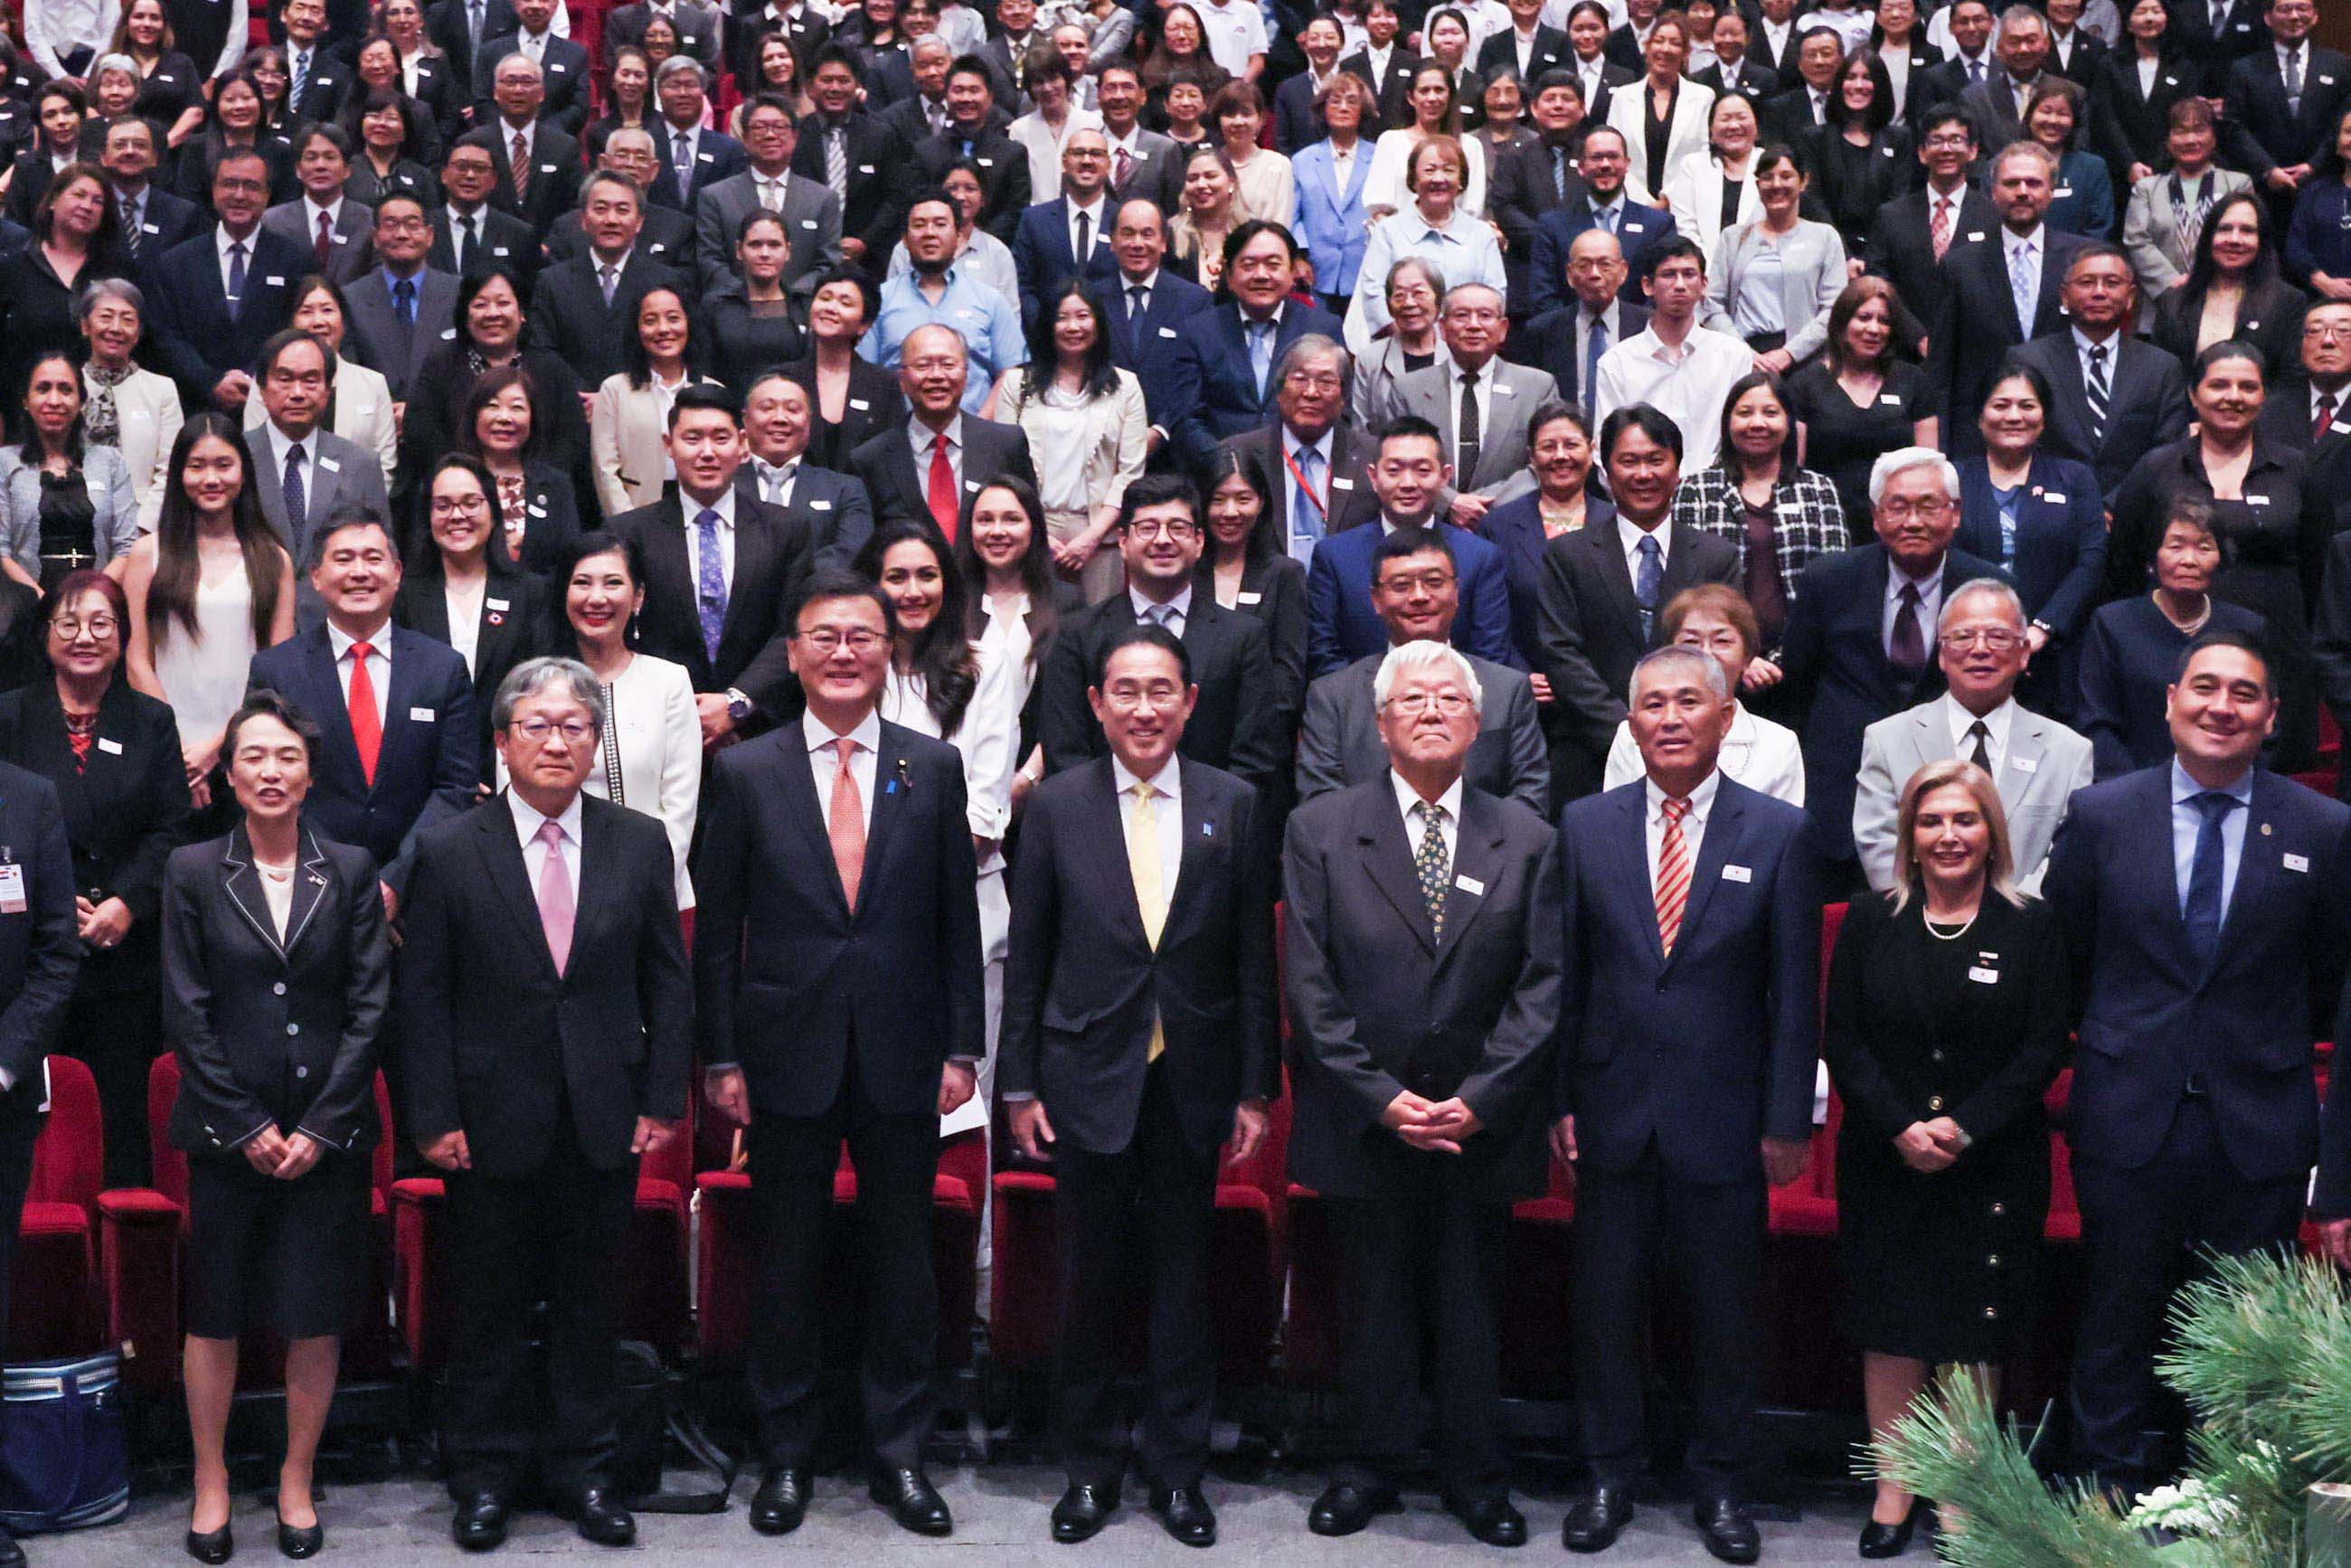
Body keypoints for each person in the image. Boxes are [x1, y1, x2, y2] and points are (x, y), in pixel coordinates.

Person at [694, 570, 981, 1540]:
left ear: (887, 649)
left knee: (904, 1261)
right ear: (794, 652)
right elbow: (718, 929)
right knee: (787, 1258)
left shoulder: (928, 767)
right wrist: (720, 1056)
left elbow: (954, 918)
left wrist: (962, 1047)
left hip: (903, 1048)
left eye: (863, 636)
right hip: (783, 1048)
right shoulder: (744, 770)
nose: (845, 652)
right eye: (825, 637)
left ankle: (899, 1455)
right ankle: (787, 1455)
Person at [2044, 631, 2351, 1500]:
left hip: (2257, 1122)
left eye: (2244, 694)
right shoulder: (2104, 814)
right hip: (2128, 1111)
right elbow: (2066, 959)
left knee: (2241, 1328)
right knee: (2113, 1318)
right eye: (2206, 688)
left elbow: (2330, 977)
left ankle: (2225, 1499)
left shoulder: (2323, 829)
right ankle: (2099, 1497)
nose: (2223, 706)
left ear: (2272, 717)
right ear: (2171, 700)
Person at [401, 656, 692, 1552]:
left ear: (594, 740)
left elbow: (667, 986)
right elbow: (423, 1000)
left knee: (588, 1306)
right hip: (486, 1122)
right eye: (537, 726)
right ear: (502, 742)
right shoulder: (452, 850)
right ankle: (484, 1475)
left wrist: (660, 1100)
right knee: (485, 1309)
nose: (556, 741)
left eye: (574, 727)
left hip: (604, 1113)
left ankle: (585, 1470)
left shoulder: (639, 842)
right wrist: (433, 1116)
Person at [1001, 618, 1272, 1548]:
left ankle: (1176, 1471)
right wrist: (1019, 1085)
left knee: (1180, 1281)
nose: (1145, 708)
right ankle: (1087, 1468)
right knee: (1089, 1279)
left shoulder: (1234, 803)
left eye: (1163, 691)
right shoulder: (1055, 808)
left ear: (1190, 702)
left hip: (1192, 1077)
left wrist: (1253, 1088)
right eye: (1127, 691)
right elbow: (1027, 959)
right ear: (1094, 704)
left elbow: (1249, 963)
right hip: (1083, 1074)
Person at [1282, 638, 1555, 1547]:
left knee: (1475, 1305)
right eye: (1413, 698)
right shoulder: (1320, 827)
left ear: (1477, 725)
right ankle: (1366, 1466)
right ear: (1380, 722)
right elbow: (1309, 983)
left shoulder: (1526, 837)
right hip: (1368, 1118)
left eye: (1449, 698)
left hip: (1482, 1118)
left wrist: (1483, 1095)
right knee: (1371, 1302)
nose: (1431, 709)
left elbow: (1542, 985)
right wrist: (1377, 1096)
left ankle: (1476, 1475)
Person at [1551, 640, 1818, 1564]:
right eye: (1651, 705)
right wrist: (1559, 1101)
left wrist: (1787, 1120)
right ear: (1630, 723)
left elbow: (1793, 995)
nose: (1668, 718)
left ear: (1722, 718)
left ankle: (1719, 1484)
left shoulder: (1776, 831)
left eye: (1686, 703)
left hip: (1725, 1122)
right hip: (1610, 1113)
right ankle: (1607, 1476)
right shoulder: (1584, 825)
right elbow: (1566, 980)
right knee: (1605, 1310)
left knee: (1721, 1315)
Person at [162, 690, 389, 1567]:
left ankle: (295, 1478)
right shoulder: (190, 870)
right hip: (227, 1134)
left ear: (309, 771)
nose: (269, 771)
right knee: (214, 1315)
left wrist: (322, 1125)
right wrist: (248, 1122)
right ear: (225, 772)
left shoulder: (353, 868)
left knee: (314, 1316)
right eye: (252, 756)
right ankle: (212, 1480)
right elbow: (186, 1011)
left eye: (286, 756)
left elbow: (370, 1010)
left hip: (326, 1138)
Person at [1824, 758, 2067, 1560]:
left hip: (1992, 1161)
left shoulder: (2032, 923)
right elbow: (1846, 1041)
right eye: (1931, 821)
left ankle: (1959, 1490)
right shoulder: (1870, 918)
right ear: (1910, 836)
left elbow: (2042, 1048)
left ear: (1992, 830)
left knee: (1971, 1330)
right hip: (1885, 1157)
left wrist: (1964, 1128)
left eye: (1965, 819)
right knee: (1891, 1325)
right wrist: (1901, 1125)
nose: (1948, 835)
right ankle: (1895, 1486)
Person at [0, 572, 188, 1191]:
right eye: (69, 623)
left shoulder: (153, 721)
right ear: (45, 633)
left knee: (121, 1119)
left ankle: (120, 1272)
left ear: (122, 634)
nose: (85, 636)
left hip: (124, 955)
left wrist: (128, 905)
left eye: (101, 623)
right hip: (27, 955)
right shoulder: (10, 715)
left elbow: (171, 830)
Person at [1778, 447, 2008, 889]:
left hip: (1949, 809)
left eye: (1928, 506)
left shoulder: (1988, 589)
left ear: (1955, 513)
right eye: (1898, 507)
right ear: (1877, 516)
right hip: (1839, 800)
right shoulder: (1828, 580)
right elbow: (1797, 689)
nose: (1913, 521)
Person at [2107, 342, 2325, 769]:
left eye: (2248, 386)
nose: (2233, 397)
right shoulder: (2156, 469)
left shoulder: (2296, 469)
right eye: (2219, 384)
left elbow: (2317, 570)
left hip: (2277, 651)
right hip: (2173, 651)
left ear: (2264, 396)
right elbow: (2123, 567)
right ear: (2194, 394)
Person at [247, 509, 477, 908]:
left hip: (419, 891)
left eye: (373, 558)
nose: (359, 572)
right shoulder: (276, 670)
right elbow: (269, 781)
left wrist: (395, 883)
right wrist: (339, 877)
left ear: (397, 572)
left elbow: (455, 788)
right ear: (316, 576)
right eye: (344, 559)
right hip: (309, 888)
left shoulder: (443, 668)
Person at [1535, 401, 1740, 803]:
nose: (1643, 474)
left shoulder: (1716, 557)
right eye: (1628, 462)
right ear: (1606, 473)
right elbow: (1560, 653)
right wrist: (1629, 731)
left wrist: (1671, 726)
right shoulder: (1568, 555)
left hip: (1694, 755)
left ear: (1678, 470)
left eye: (1656, 460)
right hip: (1588, 753)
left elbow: (1722, 654)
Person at [1036, 475, 1287, 796]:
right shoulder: (1077, 634)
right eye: (1148, 528)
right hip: (1103, 826)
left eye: (1177, 528)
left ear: (1199, 541)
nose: (1163, 540)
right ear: (1124, 542)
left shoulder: (1243, 637)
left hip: (1211, 829)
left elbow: (1255, 760)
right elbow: (1065, 751)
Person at [1853, 577, 2096, 895]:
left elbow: (2066, 858)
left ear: (2024, 653)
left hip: (2029, 933)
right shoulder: (1887, 739)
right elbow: (1880, 849)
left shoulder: (2069, 751)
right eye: (1963, 636)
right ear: (1941, 653)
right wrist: (1939, 921)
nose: (1980, 649)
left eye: (1998, 637)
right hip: (1919, 932)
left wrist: (2009, 923)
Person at [609, 384, 814, 749]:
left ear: (743, 445)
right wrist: (686, 709)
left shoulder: (787, 530)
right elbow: (621, 635)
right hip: (656, 730)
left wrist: (736, 702)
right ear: (668, 445)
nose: (707, 452)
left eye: (720, 438)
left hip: (763, 732)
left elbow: (795, 629)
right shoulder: (629, 533)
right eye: (692, 438)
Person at [1298, 524, 1546, 812]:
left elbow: (1531, 799)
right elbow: (1320, 806)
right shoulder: (1332, 696)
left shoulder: (1508, 690)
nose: (1419, 596)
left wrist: (1458, 848)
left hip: (1484, 852)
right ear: (1376, 600)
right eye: (1401, 585)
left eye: (1434, 582)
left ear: (1456, 592)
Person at [125, 416, 298, 815]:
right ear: (178, 474)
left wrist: (219, 747)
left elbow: (279, 670)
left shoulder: (274, 560)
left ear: (244, 471)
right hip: (166, 751)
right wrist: (183, 751)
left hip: (250, 753)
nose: (211, 478)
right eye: (197, 465)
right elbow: (137, 662)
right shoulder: (147, 554)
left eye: (224, 464)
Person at [541, 531, 700, 908]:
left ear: (638, 596)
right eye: (582, 583)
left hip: (659, 899)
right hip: (555, 898)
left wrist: (640, 892)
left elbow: (680, 809)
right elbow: (517, 799)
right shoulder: (536, 685)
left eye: (613, 583)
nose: (597, 598)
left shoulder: (669, 682)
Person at [1948, 364, 2110, 705]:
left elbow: (2092, 560)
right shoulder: (1953, 478)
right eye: (2000, 405)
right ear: (1980, 416)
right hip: (1969, 651)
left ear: (2044, 417)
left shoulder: (2075, 477)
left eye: (2027, 405)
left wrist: (2041, 630)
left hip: (2054, 652)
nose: (2014, 416)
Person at [1670, 370, 1845, 684]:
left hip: (1806, 663)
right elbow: (1688, 585)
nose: (1757, 423)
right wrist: (1742, 660)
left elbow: (1836, 585)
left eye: (1770, 412)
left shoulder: (1820, 490)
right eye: (1745, 413)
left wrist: (1781, 659)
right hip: (1713, 666)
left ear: (1789, 422)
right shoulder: (1695, 490)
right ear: (1727, 423)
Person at [982, 282, 1147, 603]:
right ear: (1048, 324)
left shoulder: (1126, 386)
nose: (1073, 326)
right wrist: (1038, 532)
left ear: (1097, 322)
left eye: (1083, 316)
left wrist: (1092, 537)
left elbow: (1130, 473)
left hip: (1100, 535)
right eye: (1062, 318)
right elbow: (1002, 463)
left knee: (1099, 632)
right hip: (1030, 529)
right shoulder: (1018, 383)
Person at [2081, 502, 2266, 779]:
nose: (2189, 560)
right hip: (2130, 788)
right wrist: (2136, 792)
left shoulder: (2247, 628)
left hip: (2226, 784)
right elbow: (2096, 722)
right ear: (2153, 557)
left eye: (2203, 548)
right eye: (2176, 546)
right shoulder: (2112, 623)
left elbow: (2263, 723)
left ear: (2220, 557)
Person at [1927, 142, 2088, 455]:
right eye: (2012, 183)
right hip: (1979, 437)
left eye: (2034, 183)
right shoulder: (1960, 265)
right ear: (1993, 192)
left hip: (2065, 434)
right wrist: (1940, 451)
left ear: (2051, 191)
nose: (2023, 192)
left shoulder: (2081, 260)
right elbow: (1941, 369)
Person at [392, 453, 544, 781]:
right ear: (428, 516)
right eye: (443, 505)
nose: (457, 515)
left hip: (511, 774)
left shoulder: (531, 594)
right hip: (426, 779)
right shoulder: (402, 597)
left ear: (493, 511)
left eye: (470, 503)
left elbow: (538, 693)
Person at [2009, 245, 2189, 501]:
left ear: (2130, 296)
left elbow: (2168, 452)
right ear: (2064, 295)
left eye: (2112, 283)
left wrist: (2114, 506)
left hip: (2132, 514)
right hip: (2049, 509)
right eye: (2086, 282)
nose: (2099, 292)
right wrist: (2078, 508)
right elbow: (2020, 445)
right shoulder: (2029, 361)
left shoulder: (2162, 368)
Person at [401, 266, 591, 505]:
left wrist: (533, 481)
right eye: (480, 305)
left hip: (539, 496)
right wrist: (464, 479)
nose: (492, 314)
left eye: (503, 303)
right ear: (465, 315)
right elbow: (421, 431)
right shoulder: (441, 363)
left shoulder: (550, 366)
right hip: (457, 496)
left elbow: (571, 437)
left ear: (522, 313)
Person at [1599, 582, 1802, 801]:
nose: (1706, 654)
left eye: (1722, 641)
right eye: (1691, 641)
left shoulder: (1779, 744)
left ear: (1747, 657)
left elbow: (1783, 833)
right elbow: (1615, 823)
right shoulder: (1631, 735)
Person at [146, 150, 308, 413]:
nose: (240, 195)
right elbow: (166, 336)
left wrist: (259, 382)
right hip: (194, 407)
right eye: (230, 184)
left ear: (267, 195)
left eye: (251, 186)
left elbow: (297, 327)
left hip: (273, 407)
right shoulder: (176, 262)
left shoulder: (294, 259)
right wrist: (210, 382)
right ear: (214, 190)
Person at [242, 328, 393, 609]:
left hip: (334, 623)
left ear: (328, 390)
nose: (297, 393)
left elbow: (380, 556)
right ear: (262, 388)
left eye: (310, 380)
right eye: (284, 379)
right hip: (251, 617)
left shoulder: (360, 464)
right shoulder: (236, 459)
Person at [1383, 281, 1555, 525]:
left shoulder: (1537, 387)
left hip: (1510, 526)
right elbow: (1395, 461)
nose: (1473, 325)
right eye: (1461, 316)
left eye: (1485, 316)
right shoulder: (1408, 389)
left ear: (1503, 328)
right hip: (1429, 526)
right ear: (1442, 328)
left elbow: (1543, 465)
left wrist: (1481, 506)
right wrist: (1448, 502)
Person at [848, 323, 1038, 543]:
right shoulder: (870, 459)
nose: (937, 375)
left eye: (948, 364)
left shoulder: (1006, 444)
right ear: (901, 380)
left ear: (966, 375)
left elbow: (1033, 532)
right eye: (923, 365)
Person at [1592, 238, 1753, 474]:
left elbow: (1743, 441)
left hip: (1717, 493)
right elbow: (1605, 450)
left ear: (1704, 285)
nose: (1679, 285)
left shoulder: (1734, 356)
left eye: (1689, 274)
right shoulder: (1617, 362)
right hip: (1641, 493)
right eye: (1668, 274)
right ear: (1647, 285)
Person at [861, 186, 1026, 414]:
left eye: (940, 224)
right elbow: (863, 374)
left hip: (974, 437)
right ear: (905, 240)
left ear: (958, 236)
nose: (930, 233)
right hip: (897, 438)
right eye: (919, 225)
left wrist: (980, 426)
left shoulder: (990, 301)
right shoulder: (878, 301)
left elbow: (1011, 373)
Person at [528, 170, 688, 394]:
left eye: (622, 210)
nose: (611, 220)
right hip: (573, 408)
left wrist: (614, 398)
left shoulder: (665, 280)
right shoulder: (552, 281)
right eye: (601, 209)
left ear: (639, 222)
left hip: (644, 405)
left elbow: (674, 352)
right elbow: (543, 352)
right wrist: (584, 398)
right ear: (583, 220)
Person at [0, 350, 138, 595]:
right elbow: (1, 551)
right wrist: (44, 604)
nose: (54, 400)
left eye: (65, 389)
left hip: (98, 608)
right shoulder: (4, 463)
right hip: (25, 609)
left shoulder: (111, 462)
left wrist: (90, 601)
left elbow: (126, 547)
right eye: (43, 389)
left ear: (81, 401)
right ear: (25, 401)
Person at [243, 280, 399, 494]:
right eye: (306, 311)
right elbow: (255, 456)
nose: (318, 321)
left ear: (343, 320)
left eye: (327, 310)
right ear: (291, 321)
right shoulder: (267, 382)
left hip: (356, 513)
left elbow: (384, 466)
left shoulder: (373, 383)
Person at [1190, 449, 1309, 717]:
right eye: (1217, 500)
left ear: (1262, 501)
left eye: (1243, 499)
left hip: (1263, 735)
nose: (1230, 512)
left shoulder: (1285, 574)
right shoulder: (1185, 572)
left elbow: (1288, 679)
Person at [692, 92, 841, 300]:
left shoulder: (823, 199)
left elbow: (829, 263)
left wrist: (786, 297)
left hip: (801, 311)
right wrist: (752, 296)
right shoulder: (715, 196)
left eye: (779, 127)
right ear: (744, 138)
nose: (770, 135)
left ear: (795, 137)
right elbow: (710, 262)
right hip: (734, 311)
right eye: (760, 127)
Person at [0, 163, 127, 407]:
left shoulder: (116, 272)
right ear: (52, 201)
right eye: (79, 195)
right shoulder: (11, 267)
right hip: (21, 409)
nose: (87, 206)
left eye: (98, 201)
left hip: (102, 410)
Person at [2144, 190, 2307, 375]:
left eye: (2247, 230)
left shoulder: (2288, 302)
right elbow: (2159, 378)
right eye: (2225, 229)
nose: (2234, 239)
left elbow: (2290, 380)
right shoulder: (2173, 300)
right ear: (2208, 238)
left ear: (2262, 241)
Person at [590, 285, 716, 518]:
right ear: (637, 330)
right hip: (636, 512)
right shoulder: (614, 390)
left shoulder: (712, 390)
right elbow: (604, 468)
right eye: (650, 321)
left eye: (673, 318)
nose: (663, 329)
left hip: (703, 514)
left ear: (689, 324)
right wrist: (627, 525)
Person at [452, 365, 586, 577]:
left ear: (532, 418)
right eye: (492, 406)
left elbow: (569, 563)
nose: (505, 417)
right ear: (474, 415)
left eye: (517, 408)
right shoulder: (449, 481)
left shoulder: (556, 485)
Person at [76, 279, 181, 537]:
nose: (116, 328)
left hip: (144, 528)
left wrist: (142, 528)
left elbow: (172, 468)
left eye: (127, 319)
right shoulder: (66, 386)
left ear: (138, 333)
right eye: (106, 317)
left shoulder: (162, 389)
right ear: (85, 325)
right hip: (75, 520)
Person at [340, 194, 458, 406]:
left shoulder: (458, 293)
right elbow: (349, 374)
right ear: (375, 237)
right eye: (391, 225)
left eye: (413, 225)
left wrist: (417, 413)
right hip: (376, 422)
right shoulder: (350, 298)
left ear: (430, 235)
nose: (402, 234)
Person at [785, 269, 905, 475]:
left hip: (865, 501)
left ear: (864, 325)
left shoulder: (884, 384)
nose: (831, 307)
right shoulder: (784, 380)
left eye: (845, 303)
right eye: (825, 298)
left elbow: (894, 458)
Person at [1291, 71, 1374, 310]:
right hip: (1317, 273)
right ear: (1323, 109)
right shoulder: (1303, 160)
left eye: (1352, 101)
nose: (1343, 107)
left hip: (1365, 269)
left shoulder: (1379, 156)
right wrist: (1298, 257)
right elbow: (1294, 218)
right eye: (1335, 101)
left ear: (1363, 109)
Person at [1349, 258, 1451, 432]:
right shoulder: (1370, 359)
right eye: (1399, 295)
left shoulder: (1456, 355)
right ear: (1389, 306)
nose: (1409, 303)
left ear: (1439, 302)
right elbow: (1360, 430)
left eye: (1419, 293)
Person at [1663, 92, 1761, 265]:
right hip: (1704, 276)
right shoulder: (1692, 165)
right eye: (1725, 119)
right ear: (1711, 130)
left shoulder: (1771, 166)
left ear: (1757, 126)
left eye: (1742, 117)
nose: (1733, 125)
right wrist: (1710, 272)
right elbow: (1686, 228)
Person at [2285, 105, 2351, 298]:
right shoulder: (2315, 192)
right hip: (2320, 304)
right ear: (2337, 143)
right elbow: (2295, 248)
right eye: (2348, 132)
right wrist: (2323, 282)